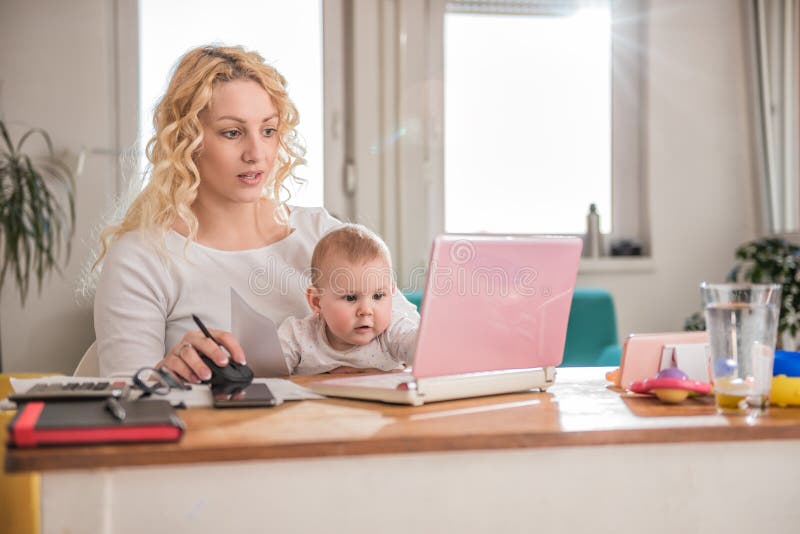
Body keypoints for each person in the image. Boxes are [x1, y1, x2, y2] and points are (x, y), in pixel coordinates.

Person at [93, 45, 419, 380]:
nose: (256, 153)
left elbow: (417, 343)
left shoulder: (322, 234)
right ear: (186, 141)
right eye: (232, 133)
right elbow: (126, 397)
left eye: (268, 131)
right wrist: (166, 377)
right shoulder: (142, 259)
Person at [279, 224, 418, 375]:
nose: (366, 311)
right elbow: (267, 375)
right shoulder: (298, 335)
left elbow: (424, 351)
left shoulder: (393, 331)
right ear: (317, 302)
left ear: (391, 293)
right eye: (351, 298)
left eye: (378, 296)